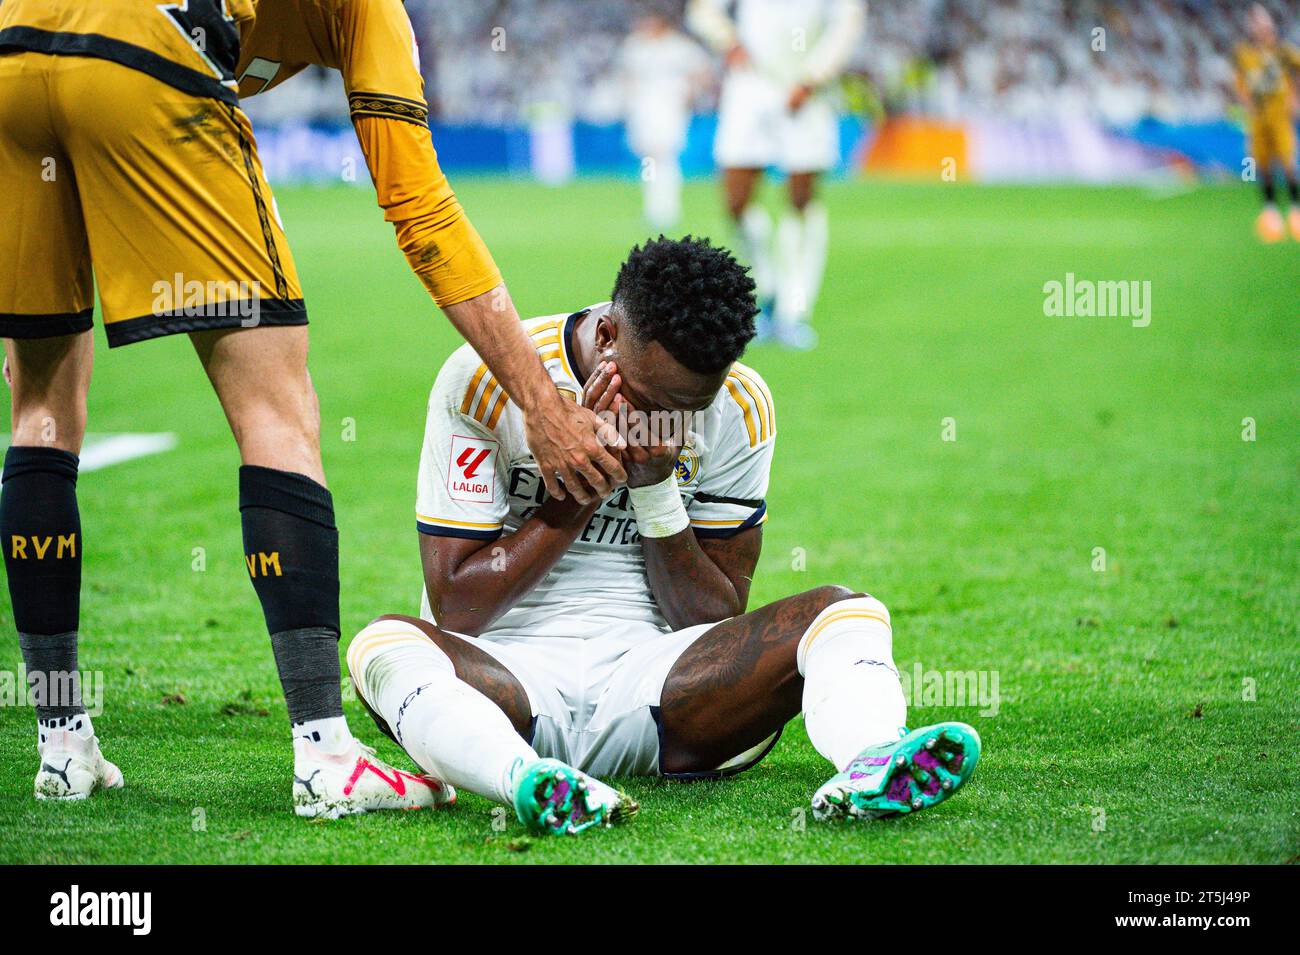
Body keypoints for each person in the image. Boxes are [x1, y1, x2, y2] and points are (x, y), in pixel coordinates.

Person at [0, 0, 622, 817]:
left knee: (41, 409)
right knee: (277, 412)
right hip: (145, 54)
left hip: (13, 55)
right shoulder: (372, 13)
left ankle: (62, 745)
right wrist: (540, 400)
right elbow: (419, 205)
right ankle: (326, 757)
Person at [346, 237, 980, 835]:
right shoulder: (489, 379)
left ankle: (871, 762)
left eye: (689, 408)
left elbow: (709, 616)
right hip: (505, 682)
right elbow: (460, 606)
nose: (666, 421)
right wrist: (578, 491)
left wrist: (655, 489)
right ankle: (525, 782)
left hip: (667, 691)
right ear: (607, 335)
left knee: (848, 612)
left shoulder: (740, 404)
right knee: (383, 646)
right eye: (650, 398)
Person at [687, 0, 865, 349]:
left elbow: (847, 24)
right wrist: (728, 41)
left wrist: (815, 76)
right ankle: (765, 290)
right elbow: (703, 9)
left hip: (805, 88)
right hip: (752, 85)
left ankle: (794, 310)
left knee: (800, 200)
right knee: (735, 202)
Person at [619, 11, 711, 230]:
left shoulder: (679, 47)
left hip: (670, 108)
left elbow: (702, 72)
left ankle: (668, 209)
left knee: (667, 157)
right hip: (644, 109)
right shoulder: (636, 46)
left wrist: (690, 95)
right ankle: (653, 208)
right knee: (650, 159)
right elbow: (626, 76)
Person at [1234, 3, 1300, 243]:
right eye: (1254, 21)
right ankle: (1270, 211)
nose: (1259, 26)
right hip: (1258, 119)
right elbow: (1240, 82)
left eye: (1262, 20)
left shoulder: (1284, 51)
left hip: (1280, 116)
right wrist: (1245, 102)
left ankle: (1295, 210)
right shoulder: (1243, 53)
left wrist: (1295, 98)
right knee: (1261, 166)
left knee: (1288, 162)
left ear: (1270, 23)